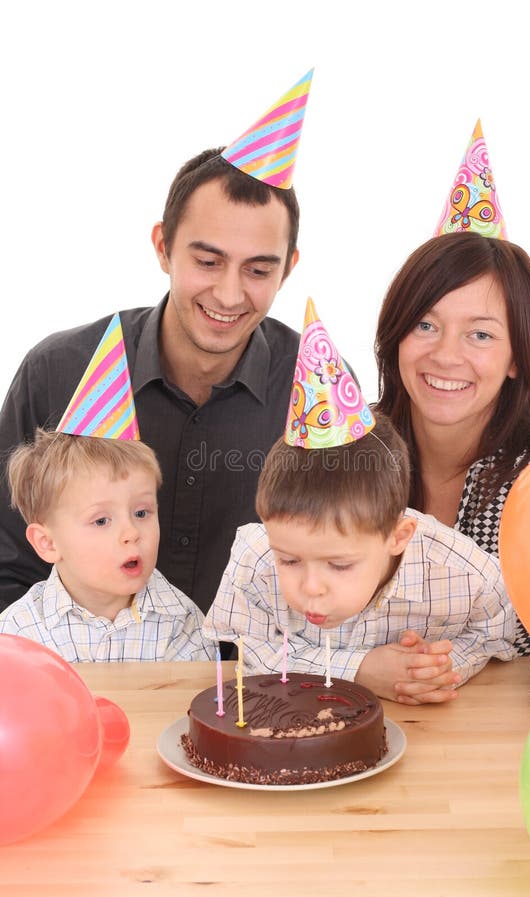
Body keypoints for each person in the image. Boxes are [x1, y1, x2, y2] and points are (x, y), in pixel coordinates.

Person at [0, 90, 307, 614]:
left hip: (255, 684)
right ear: (163, 247)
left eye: (258, 270)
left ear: (289, 267)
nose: (230, 295)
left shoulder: (315, 391)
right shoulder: (57, 372)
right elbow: (7, 560)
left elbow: (348, 562)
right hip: (78, 673)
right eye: (208, 262)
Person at [374, 231, 530, 707]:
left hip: (507, 738)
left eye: (481, 334)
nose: (446, 355)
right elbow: (278, 606)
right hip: (363, 729)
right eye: (425, 325)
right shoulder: (348, 452)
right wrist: (357, 666)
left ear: (516, 357)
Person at [203, 410, 516, 704]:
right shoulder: (255, 561)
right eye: (289, 560)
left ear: (398, 536)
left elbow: (494, 631)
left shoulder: (464, 573)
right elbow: (252, 651)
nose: (311, 587)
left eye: (339, 565)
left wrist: (436, 669)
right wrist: (358, 670)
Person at [0, 428, 216, 663]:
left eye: (141, 513)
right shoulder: (17, 635)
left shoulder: (182, 622)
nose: (131, 532)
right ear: (48, 543)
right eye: (101, 521)